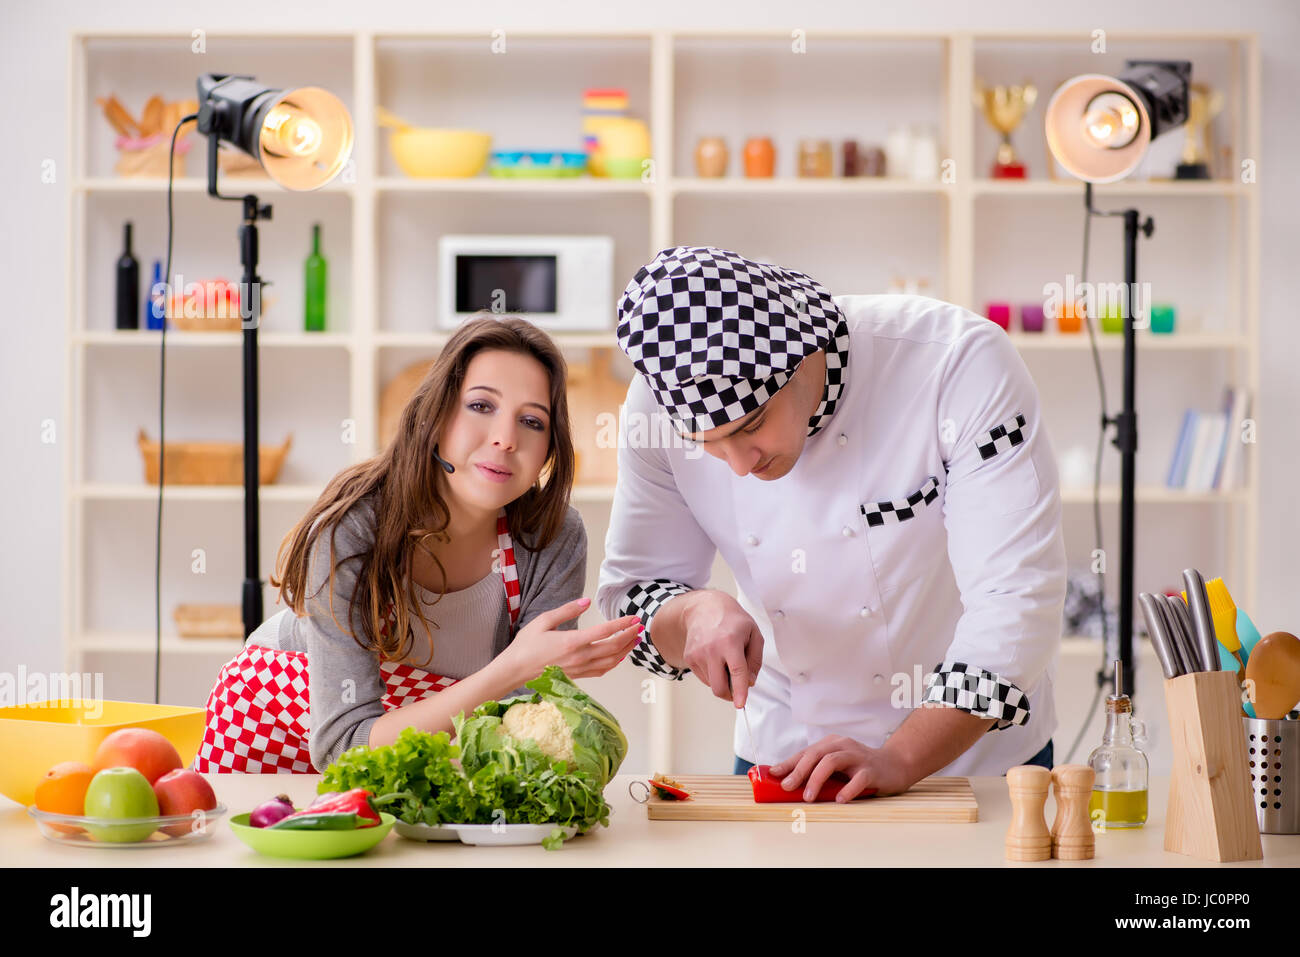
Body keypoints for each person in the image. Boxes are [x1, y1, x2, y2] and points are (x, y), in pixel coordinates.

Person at [597, 246, 1067, 800]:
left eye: (752, 425)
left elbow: (1016, 601)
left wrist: (901, 757)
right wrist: (694, 612)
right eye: (708, 445)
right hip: (784, 760)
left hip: (975, 759)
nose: (741, 466)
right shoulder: (653, 410)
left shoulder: (956, 363)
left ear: (803, 353)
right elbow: (630, 601)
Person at [195, 315, 642, 773]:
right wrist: (514, 665)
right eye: (481, 406)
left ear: (550, 447)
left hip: (418, 754)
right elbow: (343, 748)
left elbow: (517, 725)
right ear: (438, 413)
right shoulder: (355, 528)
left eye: (531, 421)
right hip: (277, 735)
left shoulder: (552, 537)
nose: (505, 439)